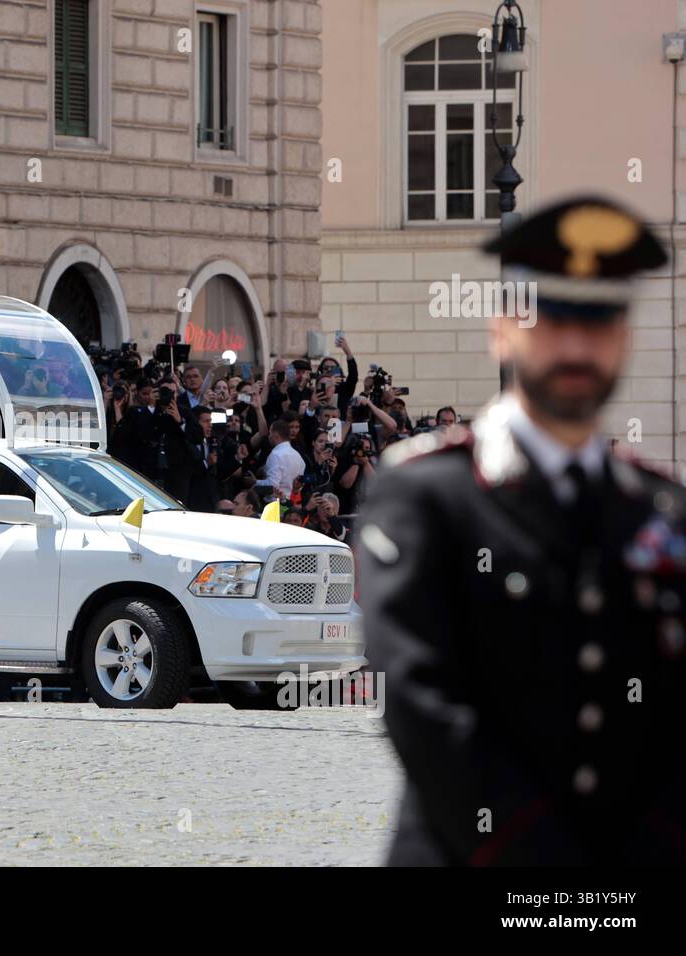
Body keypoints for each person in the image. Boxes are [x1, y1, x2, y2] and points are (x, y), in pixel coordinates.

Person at [358, 195, 686, 866]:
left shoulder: (660, 511)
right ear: (503, 331)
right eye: (552, 319)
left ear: (623, 338)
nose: (574, 346)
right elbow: (421, 702)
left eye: (598, 323)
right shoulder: (426, 494)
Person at [264, 420, 304, 498]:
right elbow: (298, 488)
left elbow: (272, 486)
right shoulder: (298, 456)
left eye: (270, 433)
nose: (269, 436)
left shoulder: (276, 455)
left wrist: (255, 482)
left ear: (275, 435)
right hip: (290, 504)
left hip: (275, 504)